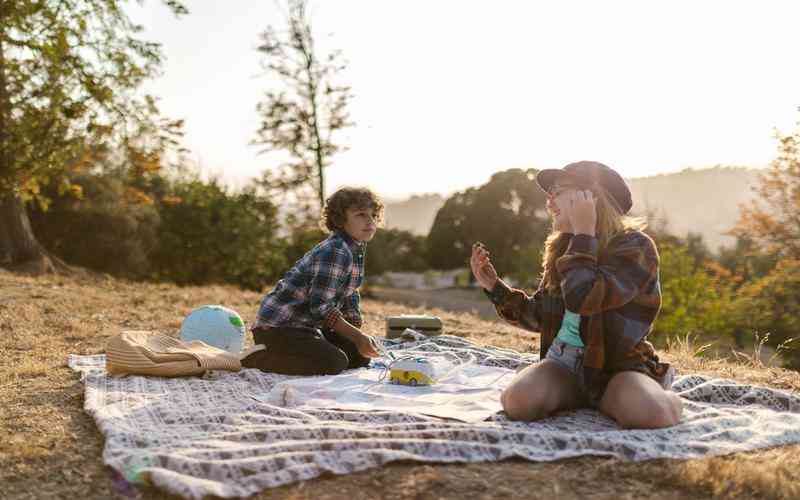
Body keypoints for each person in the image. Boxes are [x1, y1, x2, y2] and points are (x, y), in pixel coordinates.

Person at [471, 161, 682, 429]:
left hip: (616, 368)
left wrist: (584, 235)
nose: (549, 200)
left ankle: (660, 394)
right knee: (518, 403)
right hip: (562, 364)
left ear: (590, 198)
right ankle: (572, 395)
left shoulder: (635, 247)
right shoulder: (563, 248)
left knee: (651, 414)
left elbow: (584, 299)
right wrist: (494, 287)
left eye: (558, 191)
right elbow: (538, 315)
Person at [241, 187, 382, 375]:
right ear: (340, 220)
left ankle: (315, 350)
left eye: (373, 215)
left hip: (309, 327)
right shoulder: (335, 250)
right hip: (280, 328)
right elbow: (321, 308)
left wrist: (355, 336)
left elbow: (349, 295)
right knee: (334, 362)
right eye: (361, 215)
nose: (370, 221)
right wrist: (357, 337)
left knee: (360, 357)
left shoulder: (355, 249)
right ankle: (258, 358)